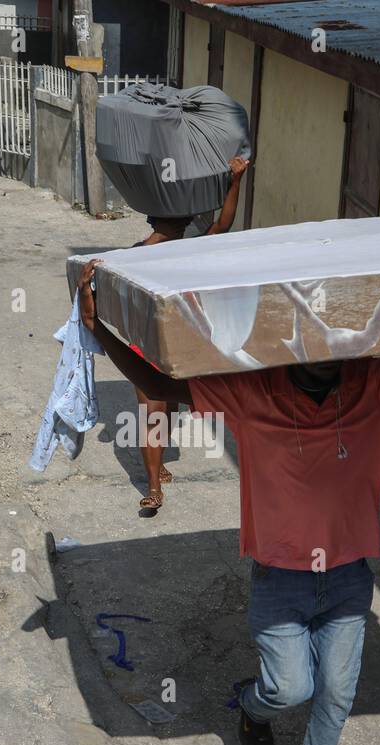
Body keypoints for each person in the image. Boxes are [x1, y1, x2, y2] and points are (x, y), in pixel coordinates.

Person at [77, 258, 380, 745]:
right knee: (289, 687)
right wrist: (98, 328)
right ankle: (253, 707)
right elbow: (159, 386)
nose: (328, 351)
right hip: (280, 576)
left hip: (350, 574)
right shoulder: (254, 390)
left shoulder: (376, 385)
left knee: (336, 691)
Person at [129, 155, 249, 515]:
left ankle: (158, 464)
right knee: (153, 408)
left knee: (169, 406)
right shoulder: (137, 255)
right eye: (179, 220)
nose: (189, 223)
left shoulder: (190, 246)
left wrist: (235, 181)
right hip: (146, 344)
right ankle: (153, 487)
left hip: (180, 344)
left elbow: (223, 226)